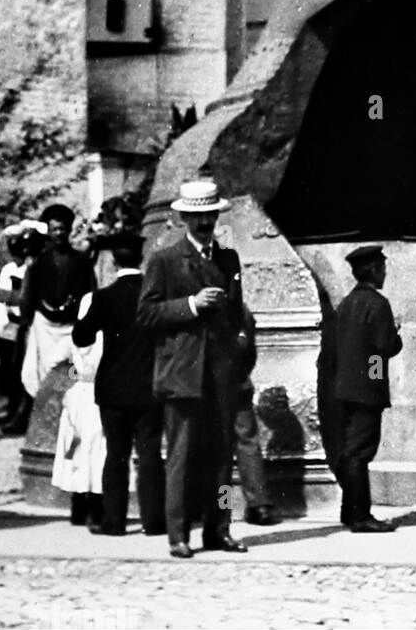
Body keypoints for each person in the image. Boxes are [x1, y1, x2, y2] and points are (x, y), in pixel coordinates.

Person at [139, 178, 248, 559]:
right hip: (182, 372)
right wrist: (191, 304)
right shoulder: (165, 259)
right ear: (184, 217)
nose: (204, 222)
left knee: (222, 458)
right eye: (197, 216)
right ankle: (178, 534)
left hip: (220, 373)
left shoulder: (229, 259)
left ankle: (220, 529)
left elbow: (236, 315)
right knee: (182, 457)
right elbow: (146, 313)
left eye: (210, 215)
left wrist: (238, 351)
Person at [72, 232, 165, 537]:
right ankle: (154, 521)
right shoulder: (155, 296)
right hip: (150, 386)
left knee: (116, 455)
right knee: (150, 454)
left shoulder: (104, 297)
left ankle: (114, 522)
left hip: (113, 389)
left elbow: (81, 337)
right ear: (141, 258)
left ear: (113, 260)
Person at [334, 245, 402, 533]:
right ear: (373, 270)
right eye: (382, 269)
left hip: (346, 387)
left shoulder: (347, 303)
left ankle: (350, 511)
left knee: (352, 450)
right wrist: (395, 331)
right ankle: (361, 515)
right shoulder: (378, 304)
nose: (385, 274)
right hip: (367, 389)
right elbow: (385, 346)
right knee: (360, 452)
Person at [20, 204, 95, 412]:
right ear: (49, 231)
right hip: (44, 327)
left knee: (71, 371)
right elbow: (29, 294)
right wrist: (27, 322)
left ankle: (68, 415)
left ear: (70, 230)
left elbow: (91, 292)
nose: (59, 233)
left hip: (71, 326)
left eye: (63, 229)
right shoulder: (38, 262)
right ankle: (46, 417)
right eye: (54, 229)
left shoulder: (82, 261)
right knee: (44, 372)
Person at [51, 304, 105, 528]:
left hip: (78, 394)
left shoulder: (74, 336)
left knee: (75, 448)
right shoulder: (104, 336)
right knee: (98, 450)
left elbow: (54, 360)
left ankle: (77, 506)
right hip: (98, 394)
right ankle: (96, 506)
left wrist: (72, 374)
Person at [0, 221, 45, 434]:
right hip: (13, 326)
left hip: (31, 325)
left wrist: (11, 297)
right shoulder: (12, 268)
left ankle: (24, 416)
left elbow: (21, 298)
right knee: (14, 370)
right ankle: (15, 410)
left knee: (30, 371)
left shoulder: (36, 266)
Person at [235, 306, 279, 527]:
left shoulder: (202, 303)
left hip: (207, 387)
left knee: (217, 450)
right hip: (238, 383)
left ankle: (219, 505)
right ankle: (259, 505)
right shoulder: (242, 311)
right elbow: (250, 353)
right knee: (248, 443)